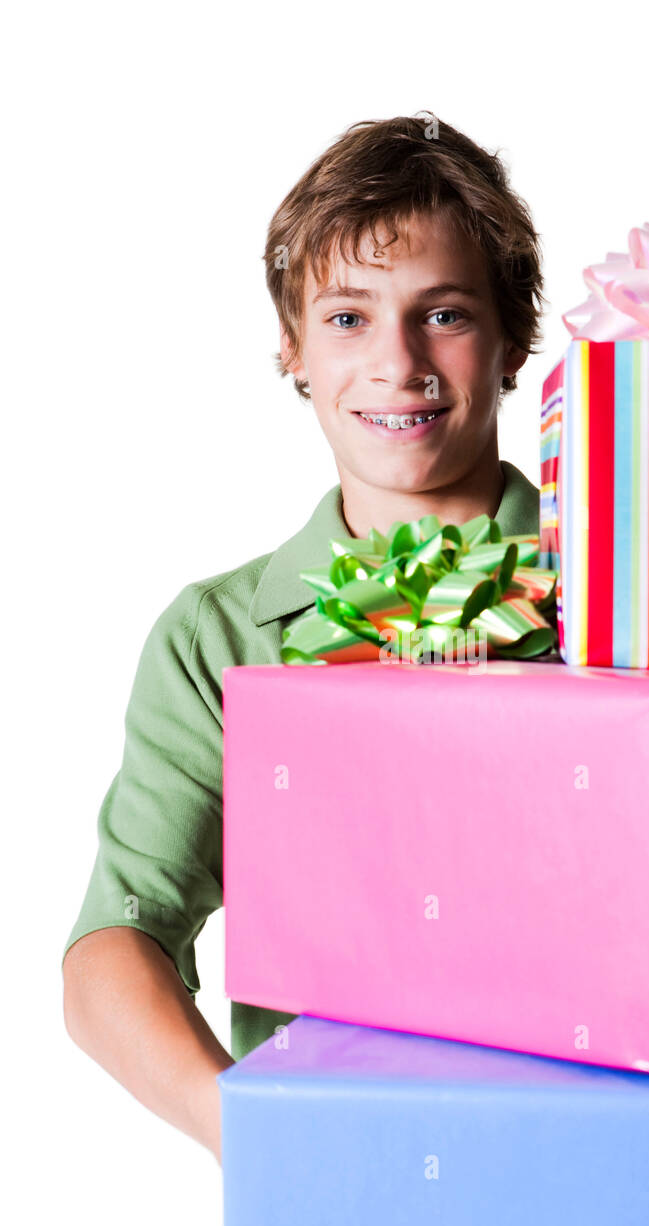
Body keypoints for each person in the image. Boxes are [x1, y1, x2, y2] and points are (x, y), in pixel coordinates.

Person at [61, 112, 545, 1165]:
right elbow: (115, 944)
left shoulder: (646, 595)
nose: (396, 361)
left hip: (621, 1180)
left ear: (511, 336)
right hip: (343, 1210)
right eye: (345, 318)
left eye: (444, 313)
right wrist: (259, 1137)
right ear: (291, 346)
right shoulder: (218, 636)